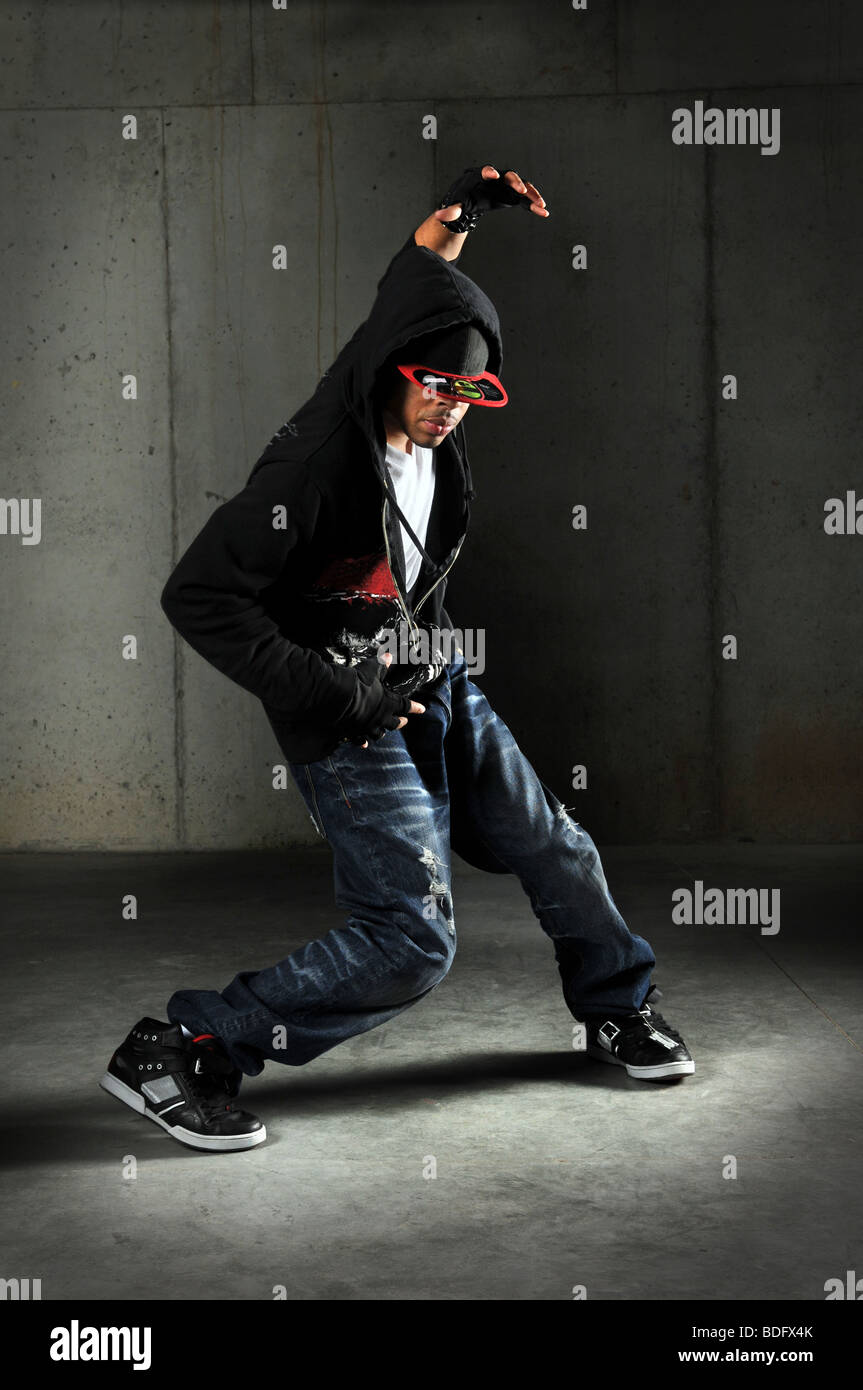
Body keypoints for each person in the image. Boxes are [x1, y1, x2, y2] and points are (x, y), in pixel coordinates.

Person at [100, 165, 694, 1153]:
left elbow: (410, 283)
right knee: (410, 940)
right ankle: (186, 1039)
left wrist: (453, 225)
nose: (452, 405)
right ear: (389, 368)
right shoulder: (310, 472)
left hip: (427, 673)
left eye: (472, 387)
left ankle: (616, 1006)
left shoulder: (426, 413)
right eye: (434, 382)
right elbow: (195, 595)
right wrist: (344, 694)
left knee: (557, 845)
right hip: (340, 705)